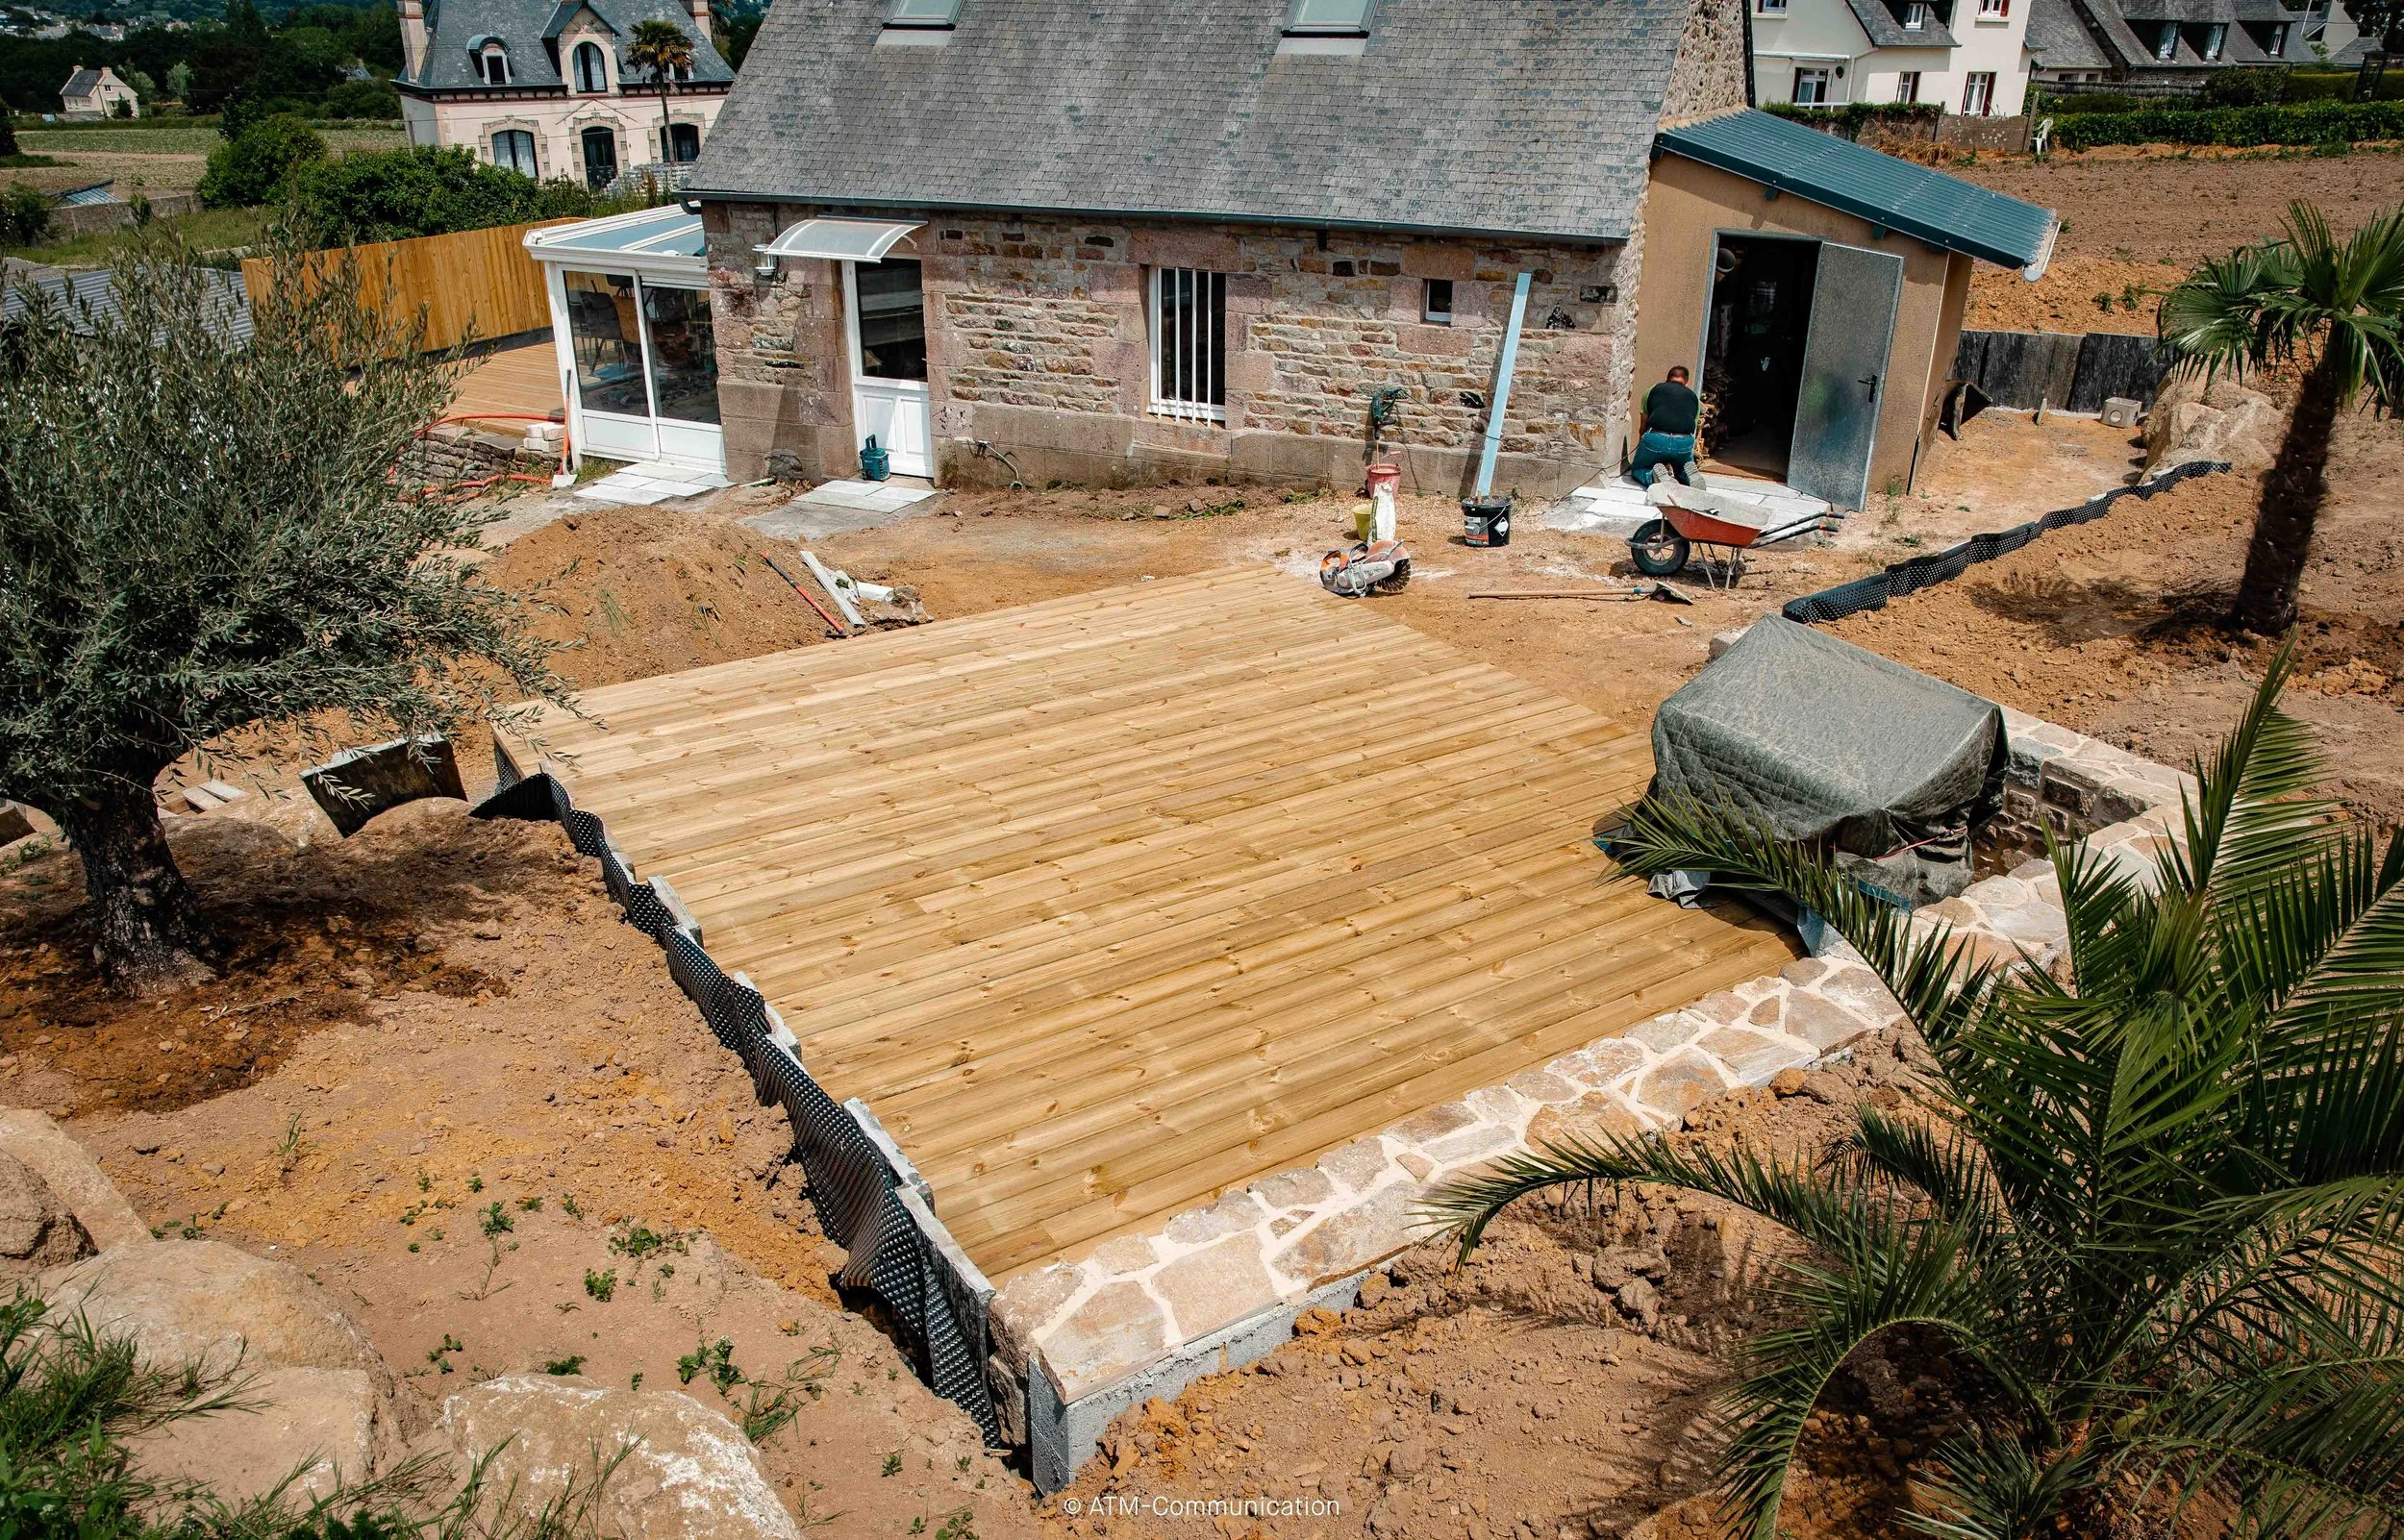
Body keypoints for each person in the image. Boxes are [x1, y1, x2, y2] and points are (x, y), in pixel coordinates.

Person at [1630, 365, 1701, 487]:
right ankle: (1688, 477)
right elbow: (1693, 427)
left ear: (1667, 379)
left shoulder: (1652, 390)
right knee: (1682, 468)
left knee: (1639, 469)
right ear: (1686, 382)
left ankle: (1653, 477)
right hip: (1684, 442)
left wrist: (1642, 443)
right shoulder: (1694, 397)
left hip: (1656, 439)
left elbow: (1643, 425)